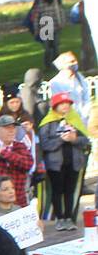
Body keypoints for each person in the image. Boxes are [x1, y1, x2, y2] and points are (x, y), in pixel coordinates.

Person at [38, 93, 91, 230]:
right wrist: (61, 139)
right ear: (55, 106)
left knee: (70, 190)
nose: (65, 106)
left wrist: (74, 139)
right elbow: (45, 144)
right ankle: (59, 218)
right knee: (57, 190)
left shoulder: (75, 119)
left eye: (68, 104)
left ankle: (69, 217)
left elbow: (85, 141)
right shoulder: (48, 123)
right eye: (62, 104)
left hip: (74, 162)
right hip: (55, 165)